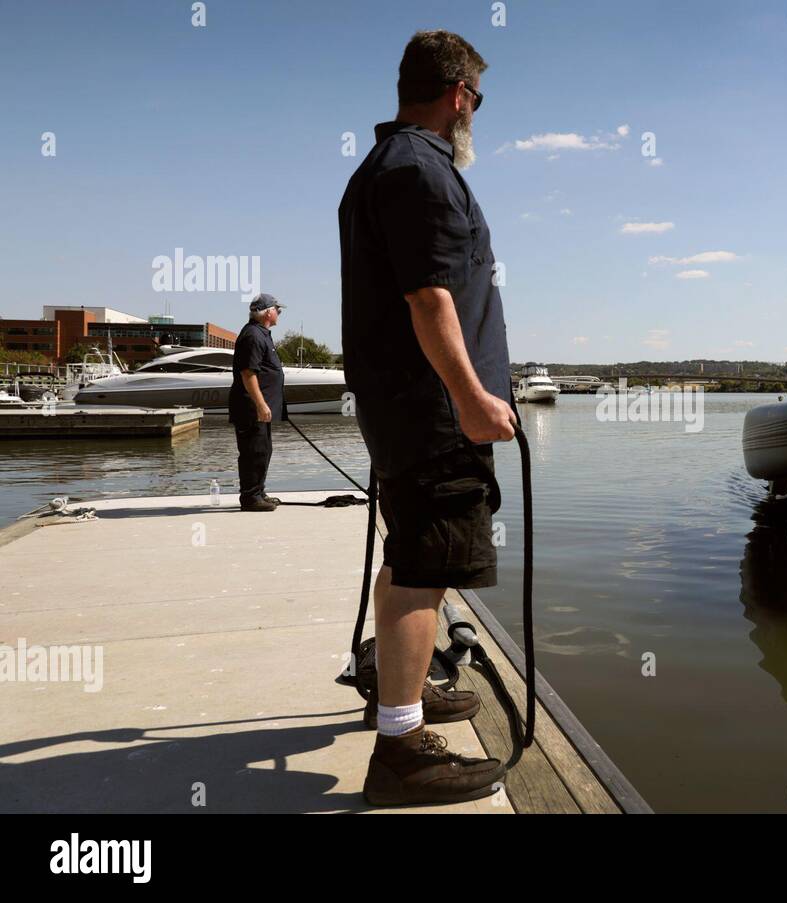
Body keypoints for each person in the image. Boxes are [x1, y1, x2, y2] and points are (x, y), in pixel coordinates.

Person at [340, 30, 515, 806]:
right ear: (458, 96)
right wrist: (474, 398)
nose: (475, 112)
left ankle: (402, 691)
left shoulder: (389, 166)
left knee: (416, 556)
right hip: (438, 415)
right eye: (477, 99)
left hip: (413, 410)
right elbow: (429, 297)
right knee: (425, 568)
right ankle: (402, 748)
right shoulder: (420, 170)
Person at [228, 293, 285, 512]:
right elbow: (248, 373)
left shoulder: (261, 333)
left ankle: (258, 492)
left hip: (260, 408)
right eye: (277, 310)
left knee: (263, 450)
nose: (279, 313)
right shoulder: (253, 335)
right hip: (251, 408)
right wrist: (261, 404)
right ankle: (250, 497)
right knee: (254, 451)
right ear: (268, 312)